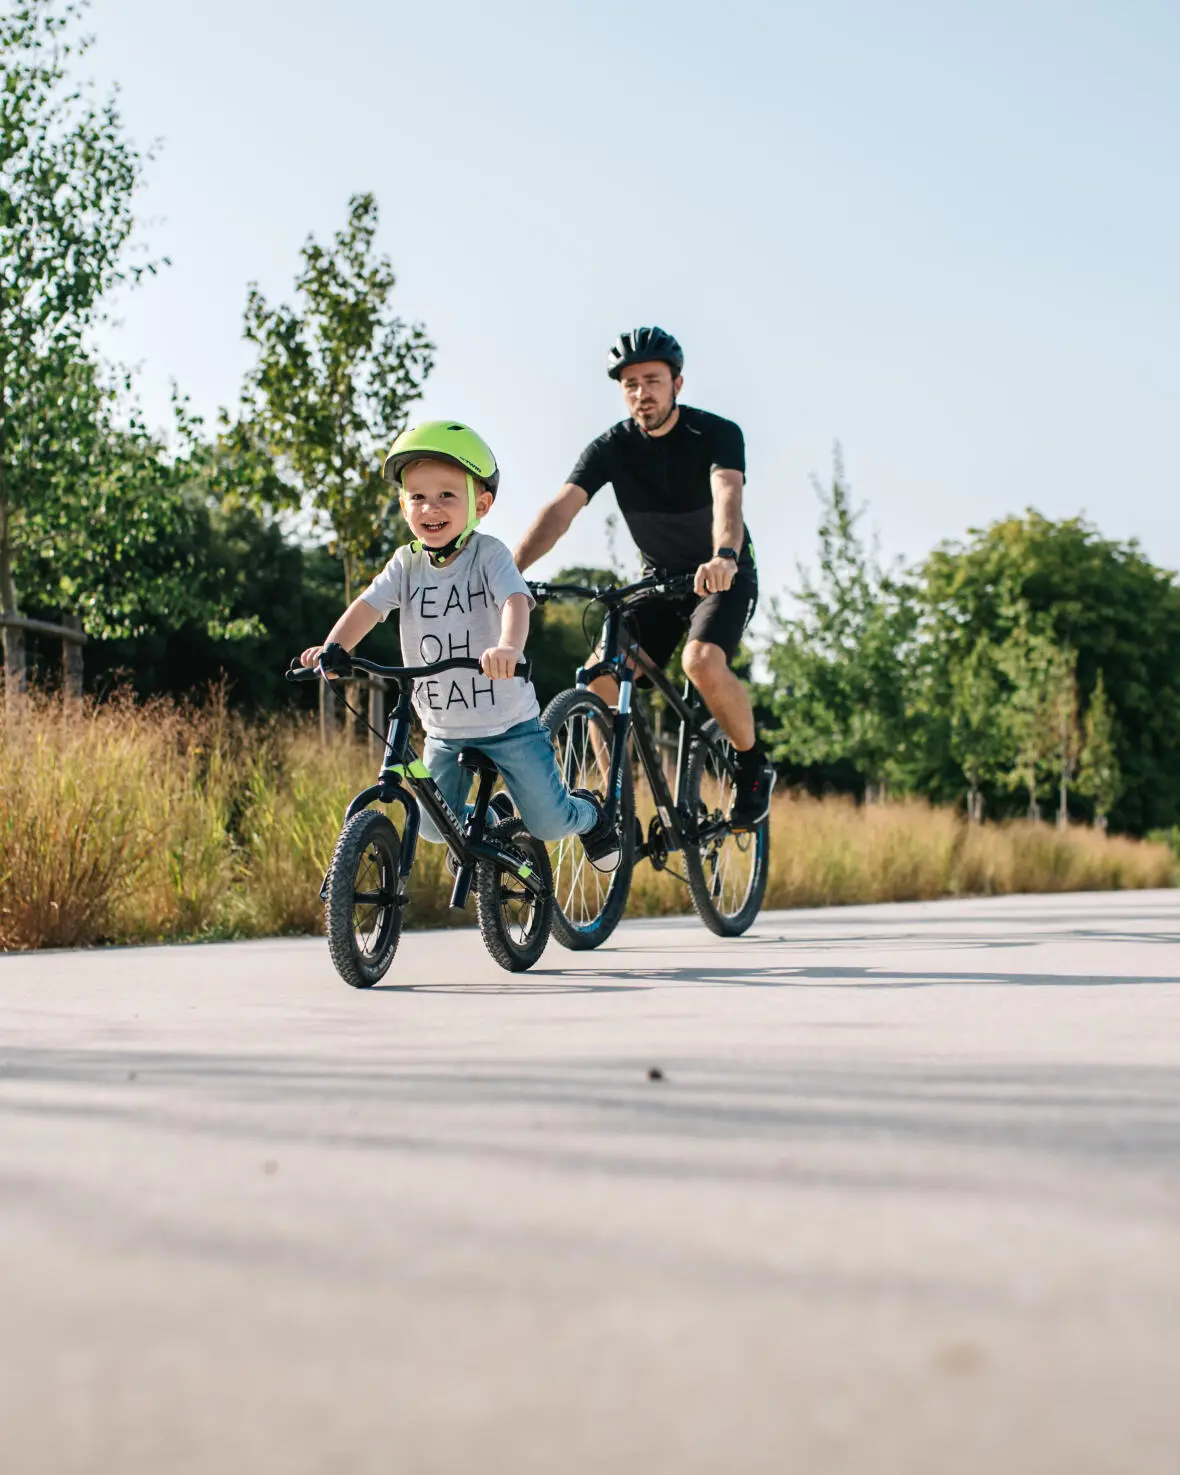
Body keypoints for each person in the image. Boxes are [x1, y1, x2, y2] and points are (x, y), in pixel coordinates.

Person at [299, 420, 620, 870]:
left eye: (446, 495)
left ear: (481, 504)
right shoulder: (405, 564)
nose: (430, 506)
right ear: (402, 504)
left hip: (510, 725)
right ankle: (490, 820)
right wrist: (335, 648)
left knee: (547, 822)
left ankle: (591, 814)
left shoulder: (489, 554)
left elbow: (514, 601)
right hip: (444, 730)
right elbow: (369, 606)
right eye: (417, 496)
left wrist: (509, 648)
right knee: (433, 825)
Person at [513, 327, 776, 829]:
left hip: (722, 576)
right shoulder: (612, 447)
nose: (641, 393)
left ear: (677, 383)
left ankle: (751, 764)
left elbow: (727, 496)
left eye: (652, 381)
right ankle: (620, 808)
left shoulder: (717, 434)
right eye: (630, 383)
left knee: (701, 662)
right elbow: (561, 511)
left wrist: (723, 555)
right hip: (658, 583)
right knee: (598, 677)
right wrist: (510, 571)